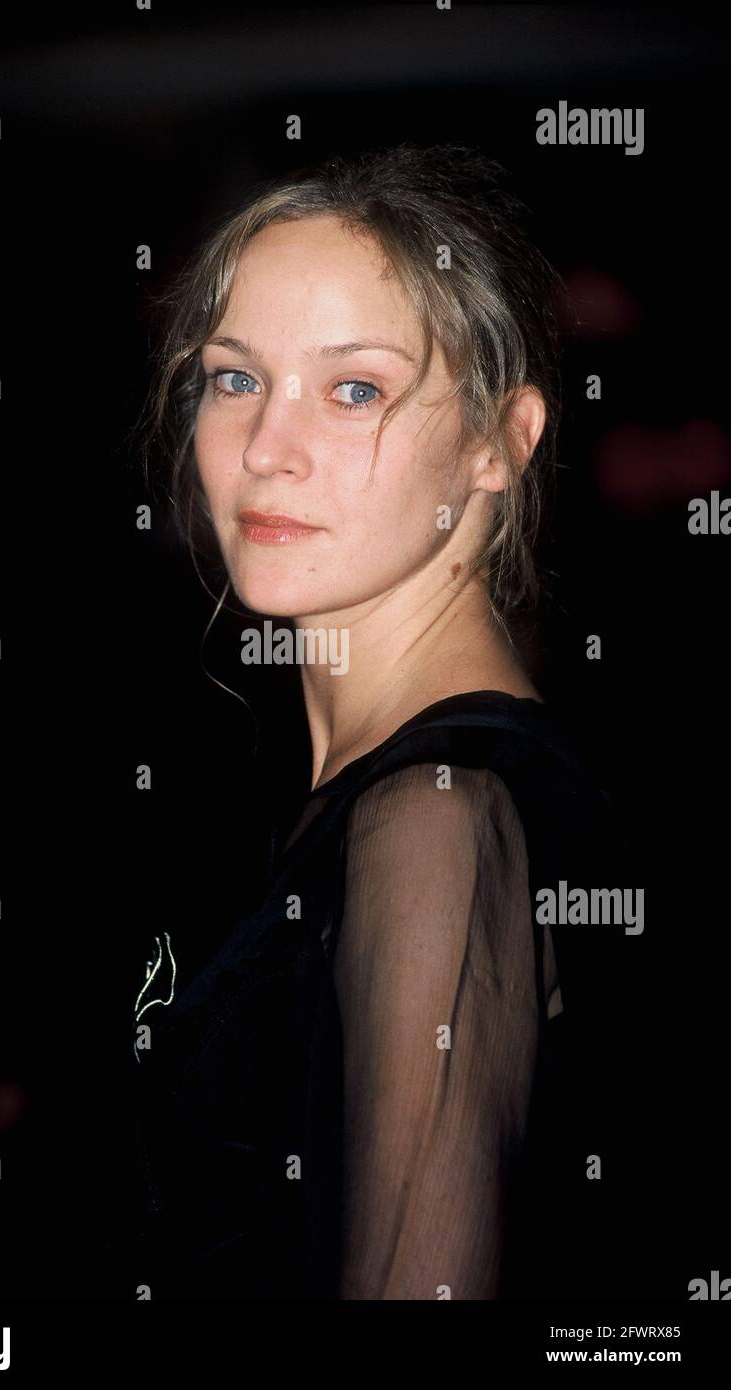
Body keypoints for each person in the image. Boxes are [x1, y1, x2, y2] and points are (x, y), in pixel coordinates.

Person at [128, 144, 621, 1300]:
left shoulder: (436, 816)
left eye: (354, 389)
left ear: (500, 440)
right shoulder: (363, 796)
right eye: (234, 378)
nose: (264, 450)